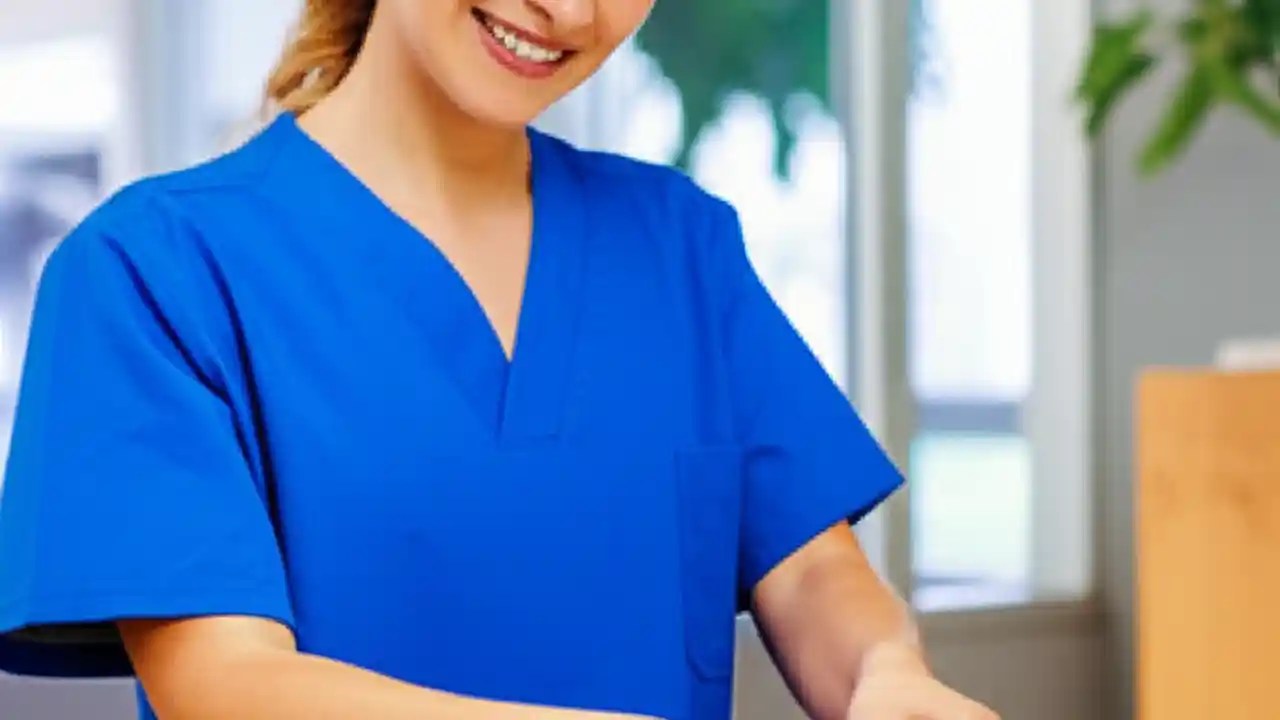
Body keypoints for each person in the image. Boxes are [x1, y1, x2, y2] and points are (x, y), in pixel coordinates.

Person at [0, 2, 998, 719]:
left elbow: (813, 571)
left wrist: (887, 675)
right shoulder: (154, 269)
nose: (570, 10)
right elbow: (226, 686)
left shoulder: (680, 246)